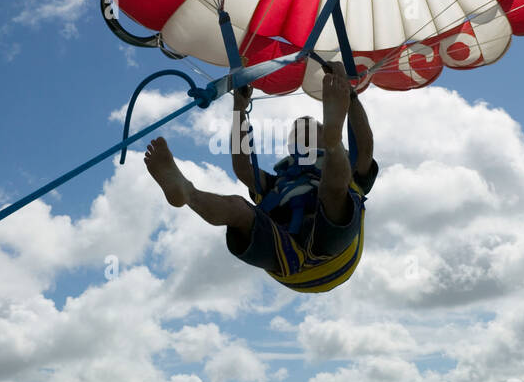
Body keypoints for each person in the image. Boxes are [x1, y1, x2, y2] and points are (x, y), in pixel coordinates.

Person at [144, 62, 377, 293]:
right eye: (297, 135)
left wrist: (351, 95)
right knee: (237, 208)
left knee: (335, 188)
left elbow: (364, 146)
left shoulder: (349, 166)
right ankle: (187, 193)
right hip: (287, 257)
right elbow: (244, 168)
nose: (301, 135)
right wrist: (239, 109)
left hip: (332, 252)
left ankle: (333, 144)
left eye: (310, 130)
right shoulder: (280, 182)